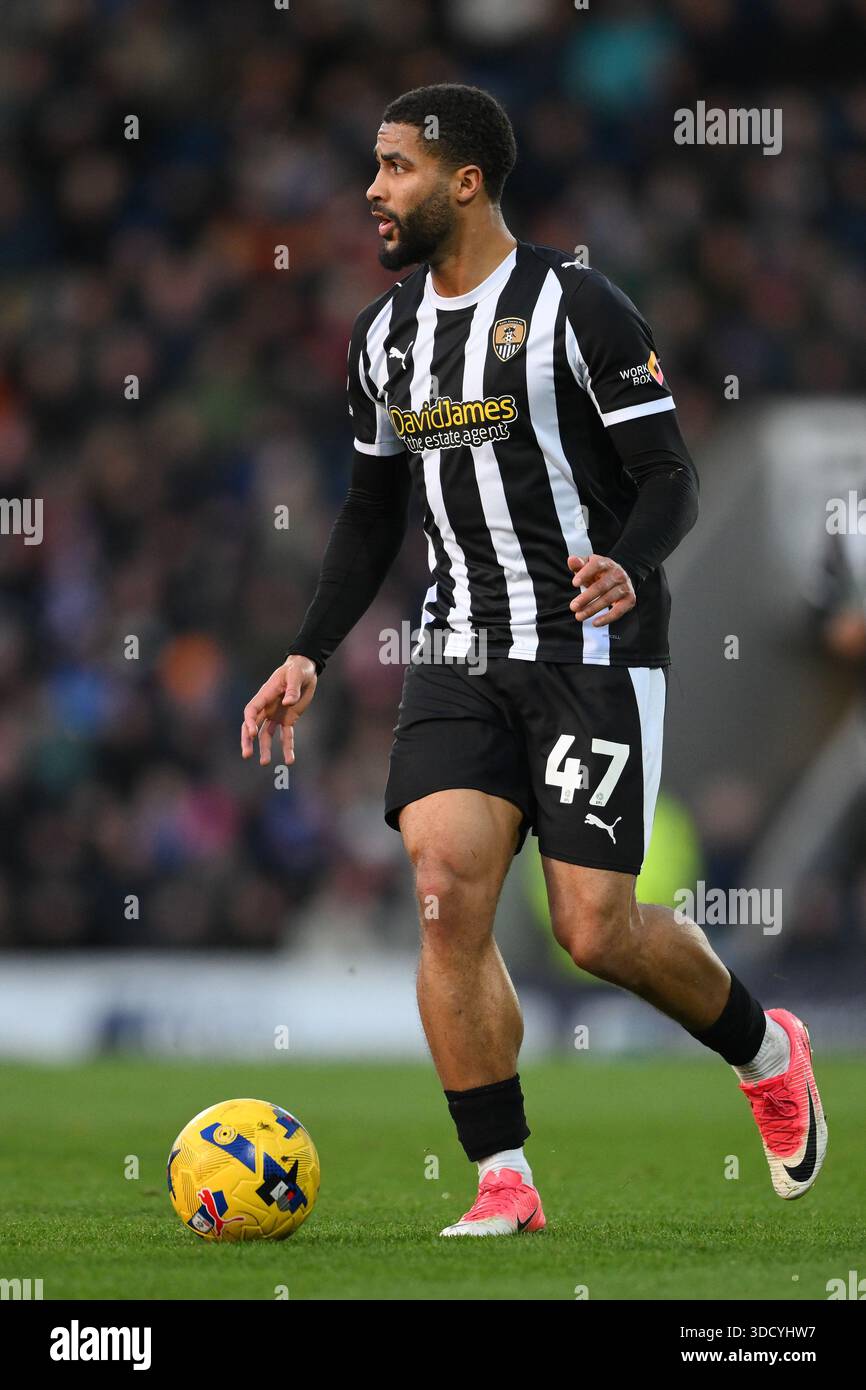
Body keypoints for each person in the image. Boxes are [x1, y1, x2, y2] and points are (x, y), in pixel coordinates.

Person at [241, 84, 826, 1235]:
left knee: (594, 930)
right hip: (457, 648)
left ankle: (765, 1050)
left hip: (586, 647)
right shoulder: (382, 337)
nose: (371, 190)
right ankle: (501, 1176)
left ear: (464, 182)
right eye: (374, 166)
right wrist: (309, 650)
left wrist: (625, 563)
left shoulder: (578, 307)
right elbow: (370, 511)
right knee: (442, 892)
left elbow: (669, 476)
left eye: (395, 167)